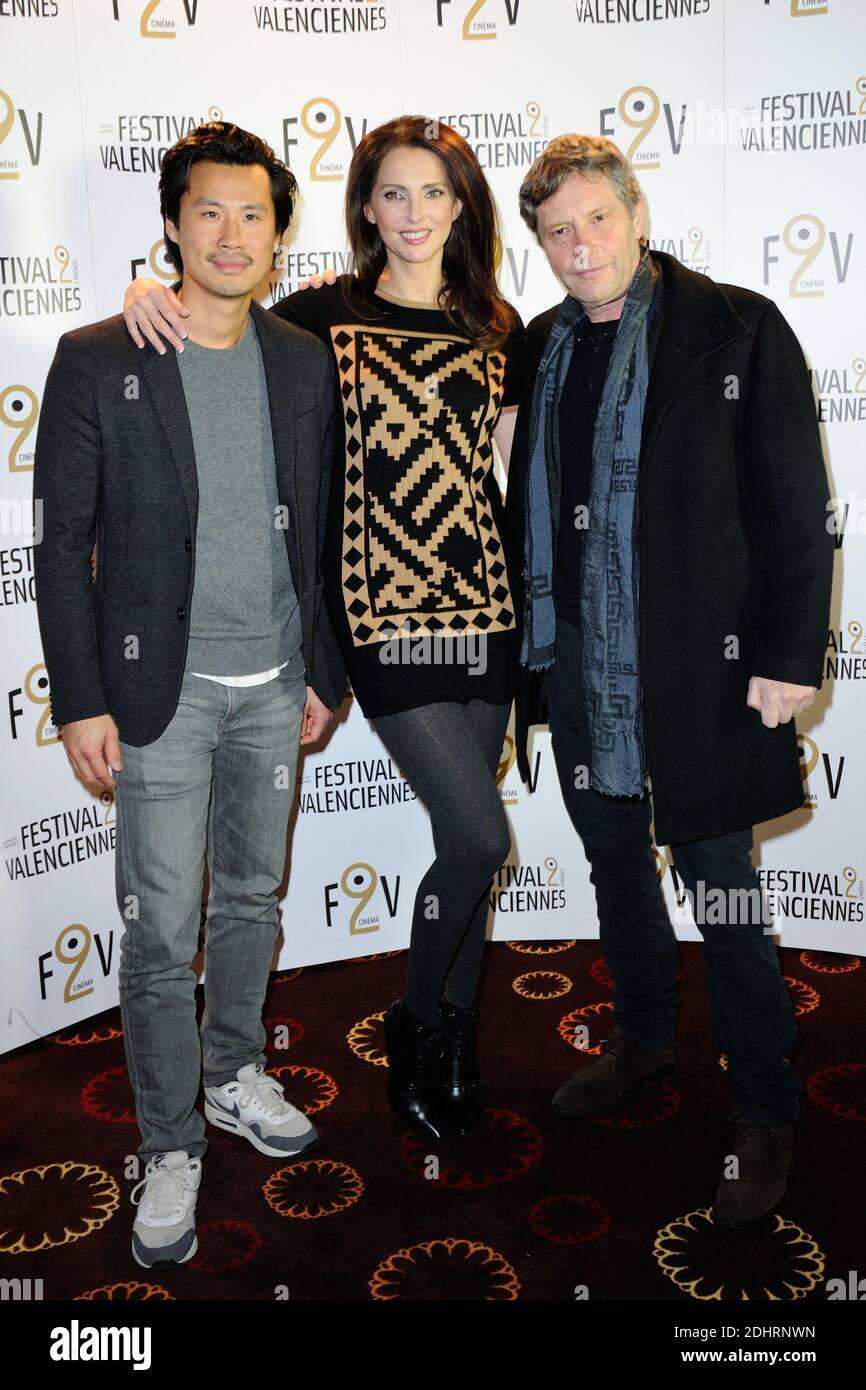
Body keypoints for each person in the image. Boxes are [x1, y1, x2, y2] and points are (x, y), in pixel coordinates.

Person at [122, 116, 525, 1142]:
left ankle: (451, 1038)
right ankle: (415, 1021)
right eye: (392, 193)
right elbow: (213, 318)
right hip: (379, 623)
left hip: (484, 612)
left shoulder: (496, 325)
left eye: (434, 192)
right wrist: (145, 294)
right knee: (483, 833)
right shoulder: (318, 319)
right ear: (363, 208)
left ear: (462, 205)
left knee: (462, 856)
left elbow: (508, 484)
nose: (413, 214)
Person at [33, 122, 347, 1269]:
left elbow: (317, 528)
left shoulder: (305, 358)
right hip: (152, 692)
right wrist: (78, 697)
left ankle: (231, 1075)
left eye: (252, 214)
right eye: (206, 211)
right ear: (170, 222)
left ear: (278, 232)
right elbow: (61, 542)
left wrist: (321, 667)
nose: (229, 233)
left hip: (273, 684)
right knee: (162, 930)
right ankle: (167, 1141)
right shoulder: (100, 354)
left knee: (253, 899)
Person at [505, 133, 834, 1227]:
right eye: (555, 231)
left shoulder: (733, 323)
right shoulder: (539, 348)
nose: (578, 244)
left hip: (707, 674)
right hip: (585, 676)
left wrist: (790, 657)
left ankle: (766, 1103)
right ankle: (644, 1041)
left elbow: (793, 505)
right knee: (615, 872)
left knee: (725, 892)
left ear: (635, 214)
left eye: (595, 219)